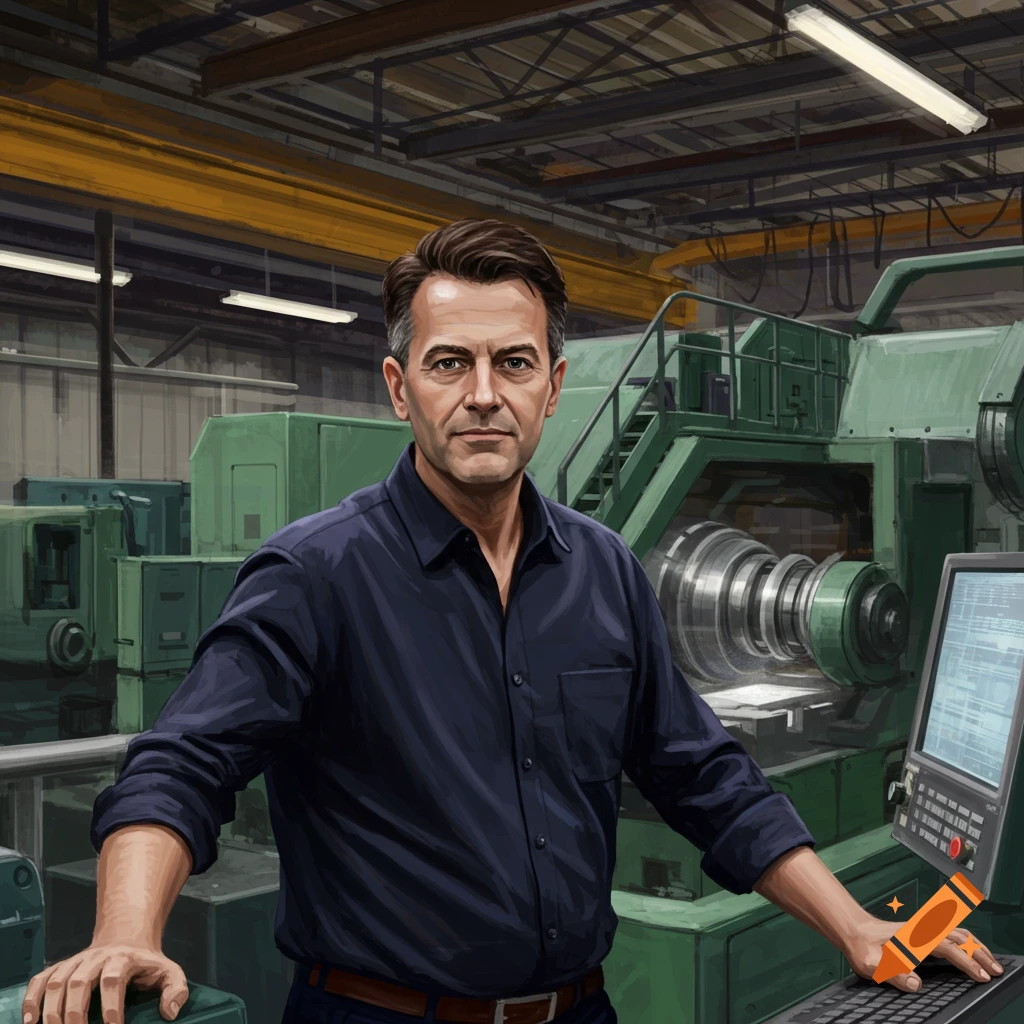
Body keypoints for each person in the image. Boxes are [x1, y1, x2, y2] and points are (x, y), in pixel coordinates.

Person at [24, 219, 1000, 1024]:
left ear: (552, 387)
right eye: (449, 362)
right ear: (401, 386)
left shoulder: (605, 569)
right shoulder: (314, 576)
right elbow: (177, 766)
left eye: (512, 362)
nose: (483, 394)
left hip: (575, 1010)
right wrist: (125, 932)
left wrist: (856, 929)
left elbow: (703, 776)